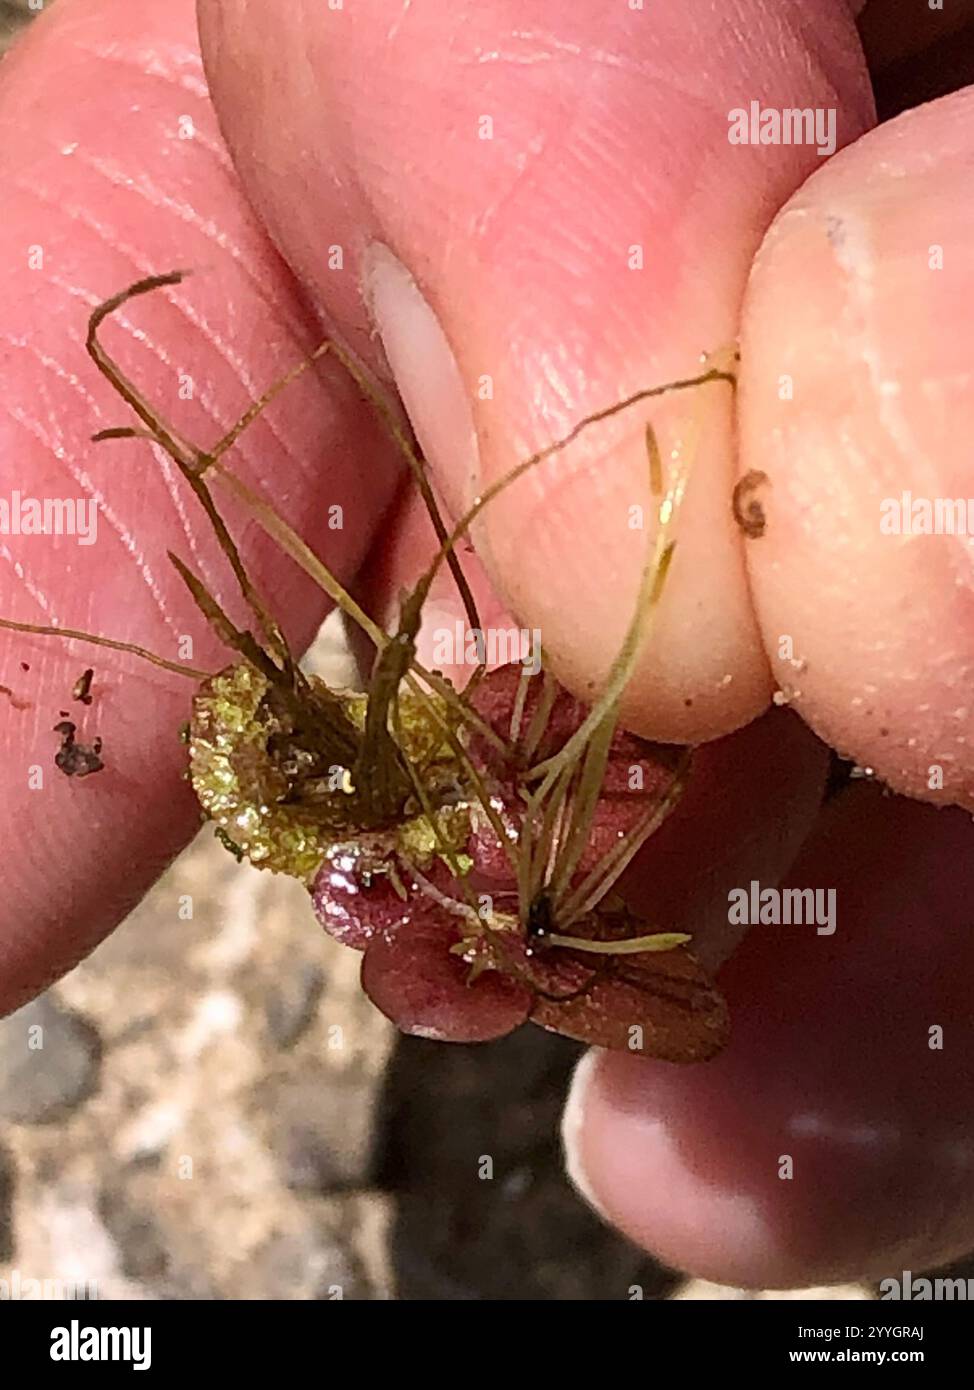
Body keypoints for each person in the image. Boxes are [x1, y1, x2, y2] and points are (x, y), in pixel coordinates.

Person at [1, 0, 972, 1289]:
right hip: (525, 818)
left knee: (587, 613)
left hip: (564, 775)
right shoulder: (432, 846)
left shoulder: (510, 785)